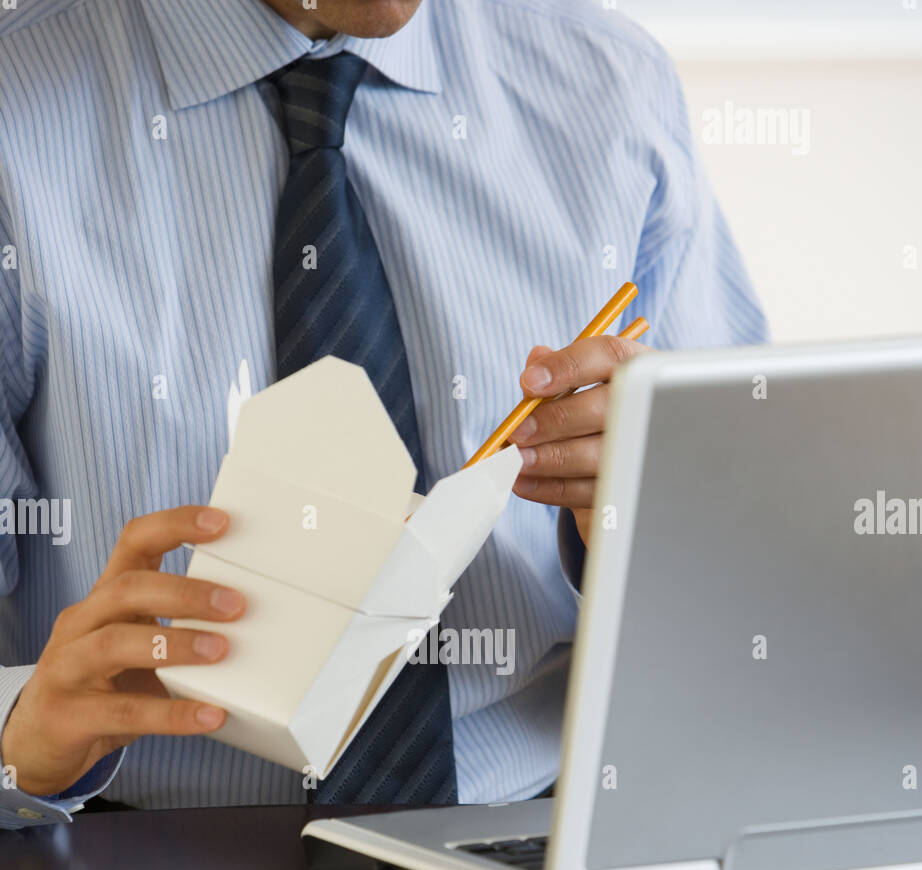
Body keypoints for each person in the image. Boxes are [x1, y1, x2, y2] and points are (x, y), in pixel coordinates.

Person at [0, 0, 768, 827]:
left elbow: (751, 585)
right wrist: (17, 746)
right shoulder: (19, 111)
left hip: (543, 836)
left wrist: (659, 533)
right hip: (136, 854)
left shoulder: (613, 86)